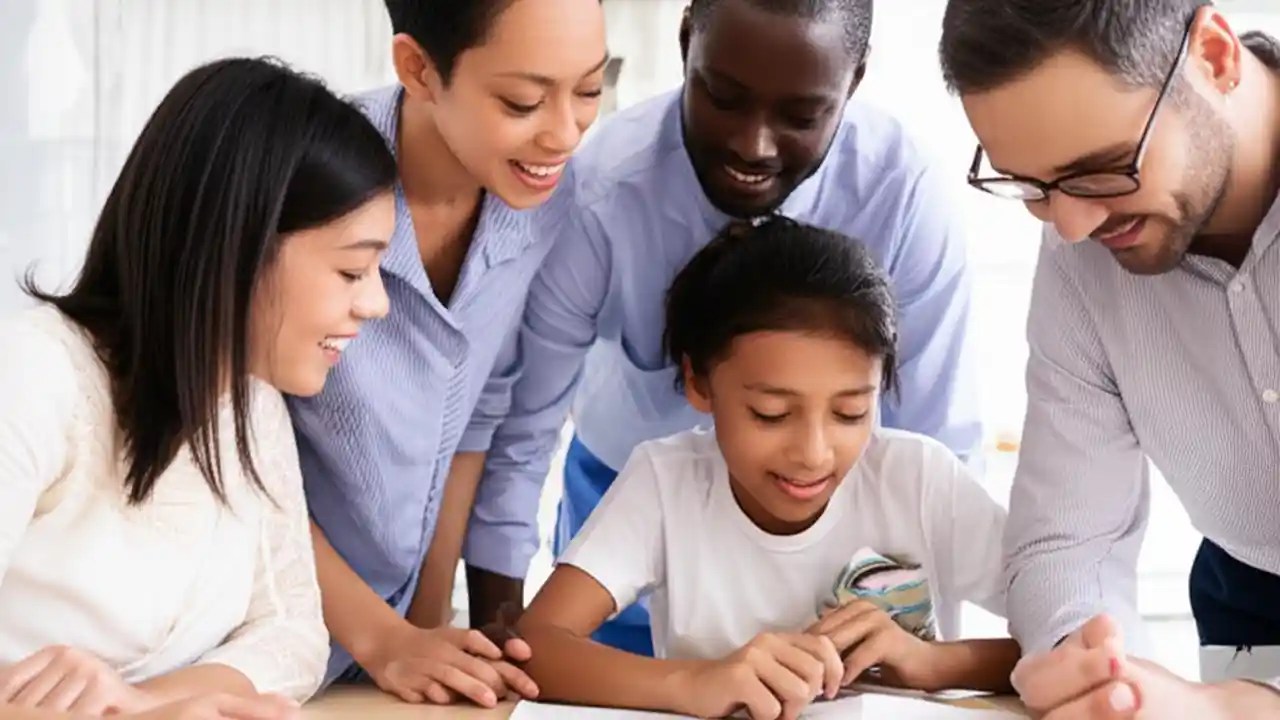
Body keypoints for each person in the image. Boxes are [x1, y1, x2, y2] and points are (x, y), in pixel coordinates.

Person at [475, 0, 984, 658]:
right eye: (722, 97)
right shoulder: (599, 193)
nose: (754, 144)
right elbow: (521, 429)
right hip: (620, 485)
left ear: (853, 81)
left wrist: (925, 660)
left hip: (830, 504)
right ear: (687, 43)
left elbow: (935, 443)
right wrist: (499, 643)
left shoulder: (904, 195)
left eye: (800, 116)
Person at [0, 57, 397, 719]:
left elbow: (294, 637)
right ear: (238, 245)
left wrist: (137, 707)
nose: (376, 303)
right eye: (352, 269)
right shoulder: (35, 375)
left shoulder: (249, 403)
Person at [513, 217, 1013, 719]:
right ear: (700, 384)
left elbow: (1071, 628)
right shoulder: (666, 484)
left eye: (851, 413)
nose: (813, 453)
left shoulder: (919, 478)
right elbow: (536, 645)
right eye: (771, 414)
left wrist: (932, 662)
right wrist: (697, 682)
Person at [939, 0, 1280, 716]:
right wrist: (1090, 670)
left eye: (1100, 171)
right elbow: (1065, 539)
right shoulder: (1078, 252)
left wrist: (1229, 709)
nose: (1070, 225)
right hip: (1247, 598)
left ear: (1213, 57)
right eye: (1031, 185)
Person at [283, 0, 608, 706]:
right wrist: (384, 638)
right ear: (418, 69)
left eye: (590, 89)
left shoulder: (542, 194)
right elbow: (231, 452)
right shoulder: (303, 173)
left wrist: (426, 624)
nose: (565, 134)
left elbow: (477, 416)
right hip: (264, 626)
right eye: (523, 101)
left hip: (383, 651)